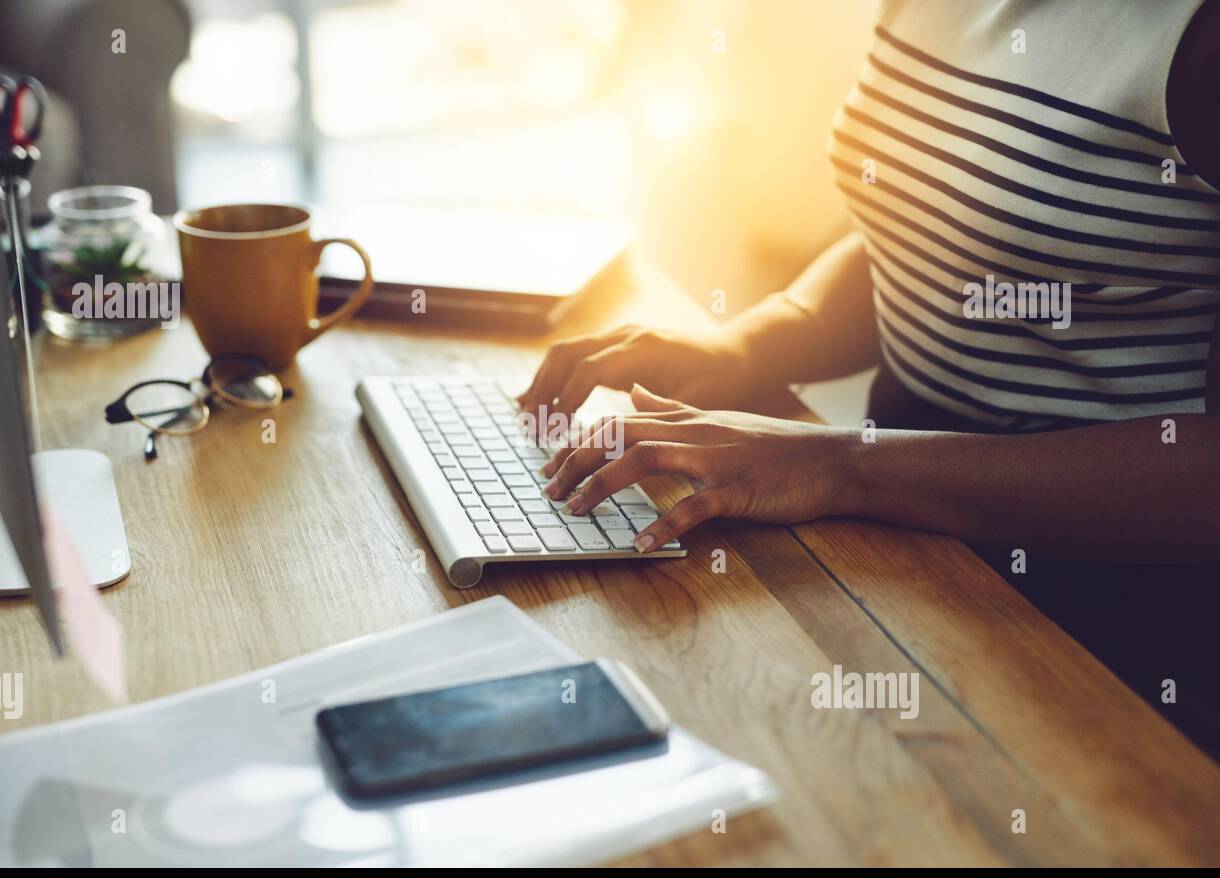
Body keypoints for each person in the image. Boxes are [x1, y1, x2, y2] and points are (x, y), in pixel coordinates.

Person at [519, 0, 1220, 756]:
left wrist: (841, 464)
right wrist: (752, 344)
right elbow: (930, 223)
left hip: (1102, 618)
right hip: (909, 536)